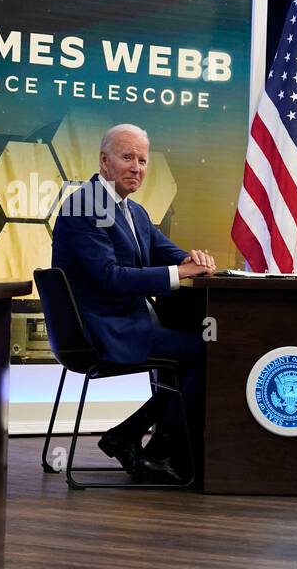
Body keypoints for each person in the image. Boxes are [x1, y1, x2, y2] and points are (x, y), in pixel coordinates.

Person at [50, 124, 216, 483]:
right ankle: (154, 451)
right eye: (127, 157)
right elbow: (110, 276)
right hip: (102, 331)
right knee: (209, 353)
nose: (137, 167)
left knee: (202, 349)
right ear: (104, 162)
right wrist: (180, 271)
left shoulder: (133, 211)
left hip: (129, 324)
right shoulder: (84, 205)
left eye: (142, 160)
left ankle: (130, 437)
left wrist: (197, 263)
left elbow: (165, 252)